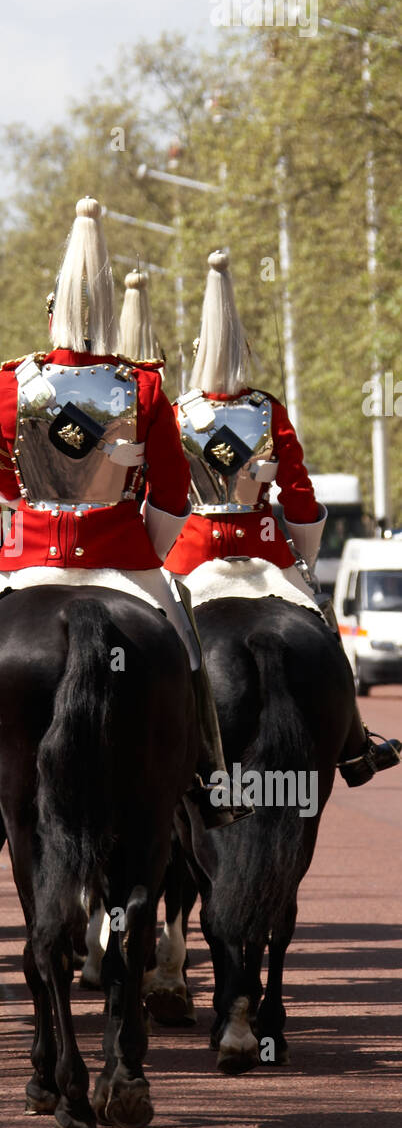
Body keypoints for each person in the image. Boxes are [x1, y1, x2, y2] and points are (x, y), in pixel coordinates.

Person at [0, 197, 246, 828]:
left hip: (27, 559)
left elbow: (5, 479)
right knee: (188, 646)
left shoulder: (11, 382)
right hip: (124, 558)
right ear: (111, 315)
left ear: (51, 311)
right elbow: (172, 494)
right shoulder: (143, 387)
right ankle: (211, 775)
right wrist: (139, 547)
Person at [165, 249, 400, 787]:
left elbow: (163, 496)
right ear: (247, 353)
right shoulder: (267, 410)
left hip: (190, 552)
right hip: (265, 549)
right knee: (320, 628)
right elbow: (298, 495)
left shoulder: (176, 413)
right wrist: (304, 561)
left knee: (148, 641)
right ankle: (356, 746)